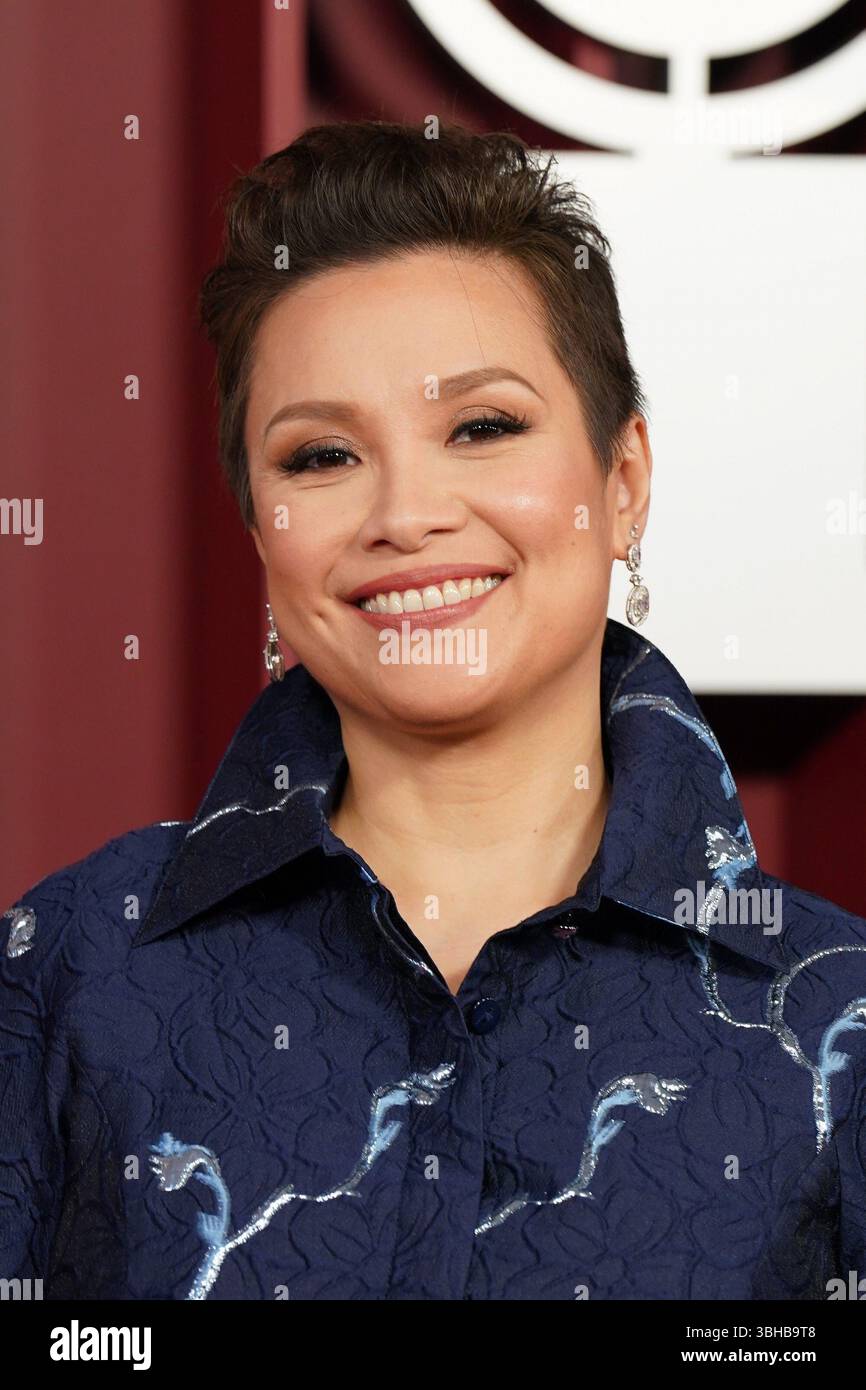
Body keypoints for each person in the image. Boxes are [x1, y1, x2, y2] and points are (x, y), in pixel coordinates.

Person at [2, 120, 865, 1302]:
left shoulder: (836, 1017)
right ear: (260, 530)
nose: (405, 513)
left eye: (480, 427)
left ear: (621, 484)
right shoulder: (67, 970)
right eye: (319, 456)